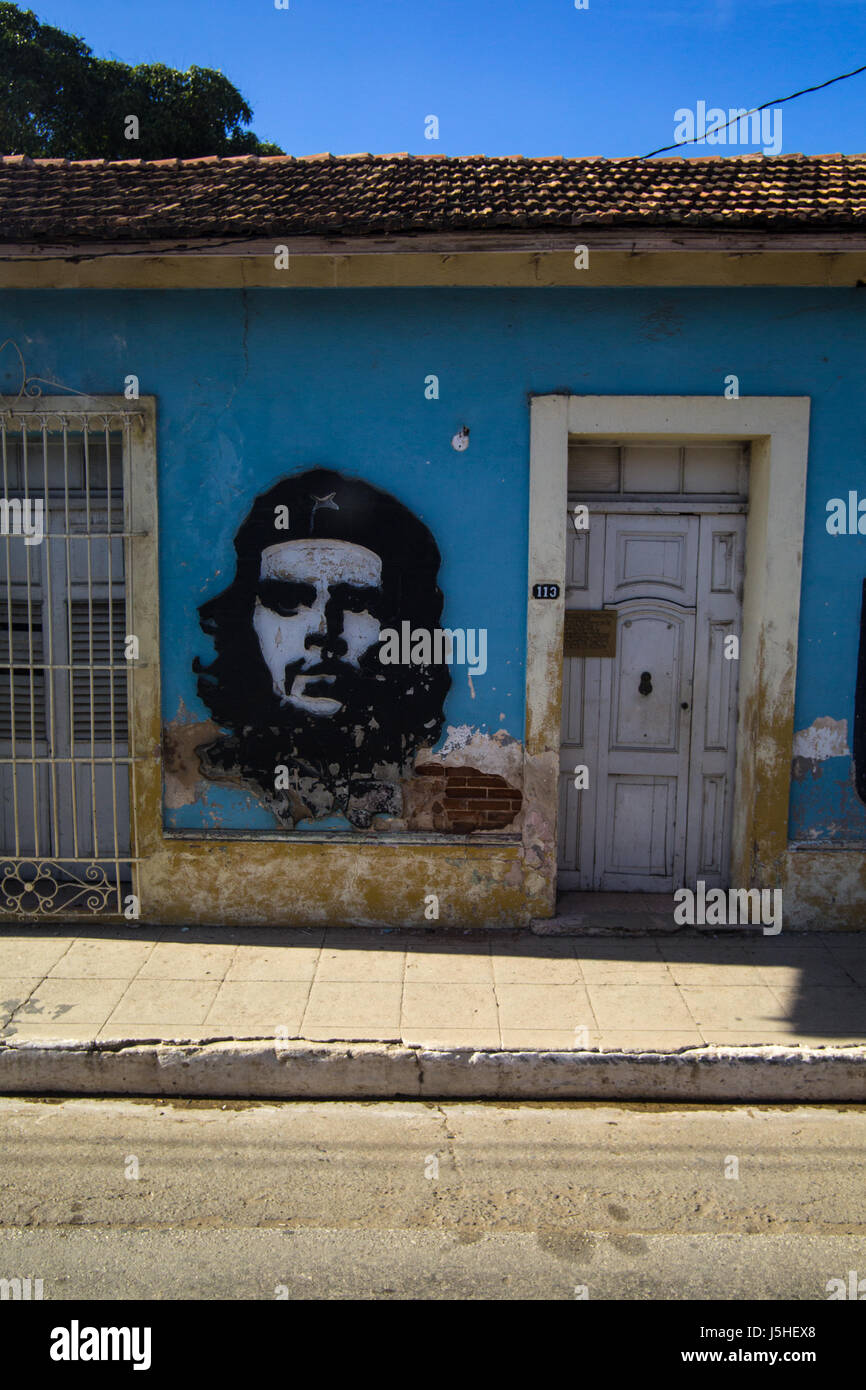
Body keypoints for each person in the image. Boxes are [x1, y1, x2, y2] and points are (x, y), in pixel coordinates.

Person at [193, 468, 451, 828]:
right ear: (245, 620)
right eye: (288, 601)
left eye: (357, 603)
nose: (324, 633)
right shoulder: (219, 770)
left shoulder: (421, 780)